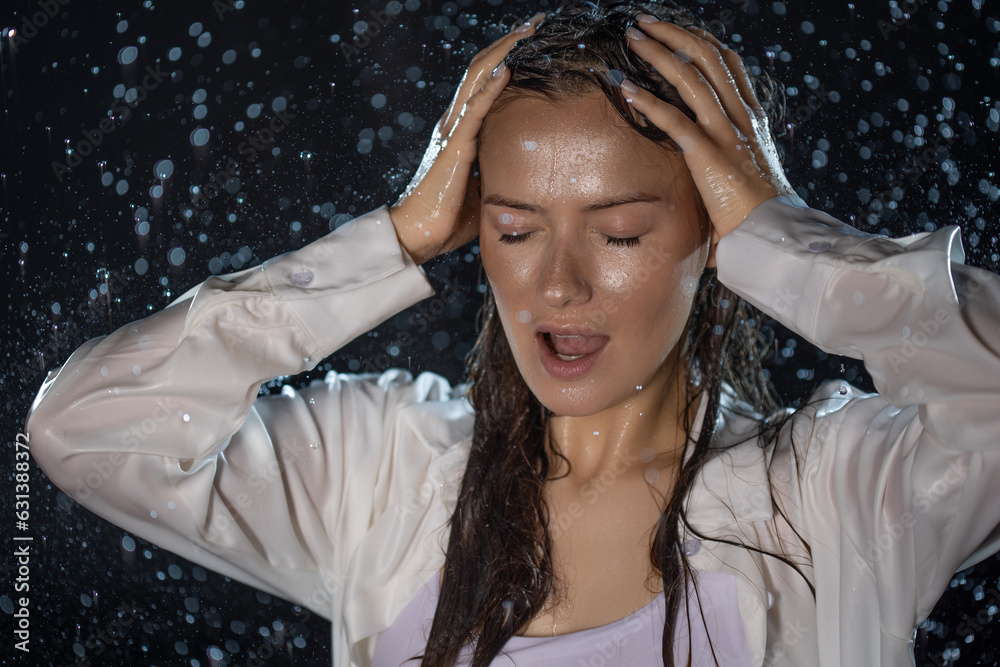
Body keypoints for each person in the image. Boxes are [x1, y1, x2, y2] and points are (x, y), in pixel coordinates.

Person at [24, 1, 1000, 665]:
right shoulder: (383, 473)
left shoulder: (835, 499)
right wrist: (392, 239)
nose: (558, 285)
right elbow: (87, 428)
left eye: (621, 232)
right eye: (515, 229)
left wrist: (791, 241)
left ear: (713, 237)